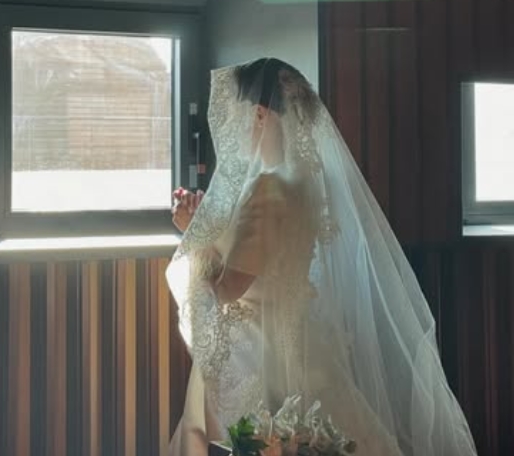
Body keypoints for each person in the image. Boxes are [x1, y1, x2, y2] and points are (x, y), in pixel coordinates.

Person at [166, 58, 477, 456]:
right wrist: (208, 227)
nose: (234, 126)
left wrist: (195, 233)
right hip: (303, 340)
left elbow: (228, 289)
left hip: (259, 356)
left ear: (259, 114)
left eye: (239, 114)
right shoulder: (304, 181)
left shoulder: (267, 189)